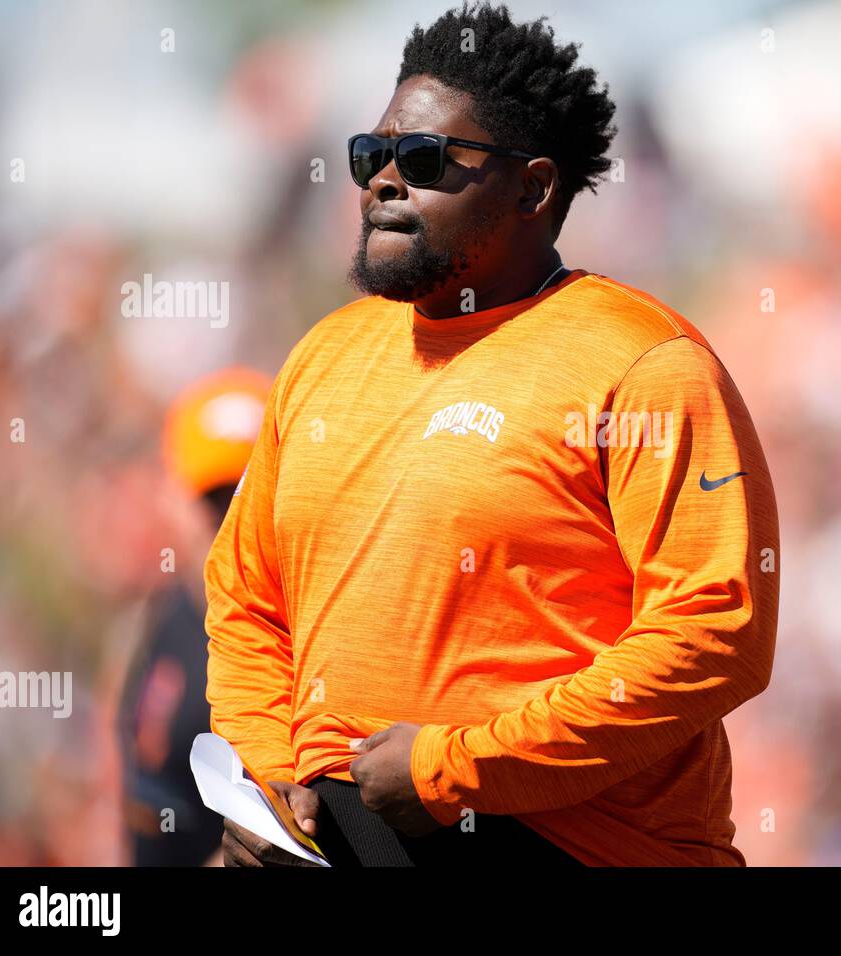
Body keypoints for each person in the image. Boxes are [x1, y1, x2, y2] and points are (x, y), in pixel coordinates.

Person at [205, 1, 780, 867]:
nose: (384, 181)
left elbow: (714, 633)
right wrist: (268, 779)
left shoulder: (643, 363)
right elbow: (246, 599)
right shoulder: (323, 355)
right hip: (335, 837)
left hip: (571, 845)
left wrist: (453, 770)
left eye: (426, 158)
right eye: (373, 154)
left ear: (533, 189)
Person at [118, 367, 272, 866]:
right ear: (171, 495)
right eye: (215, 498)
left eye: (248, 495)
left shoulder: (311, 635)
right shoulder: (165, 622)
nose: (232, 517)